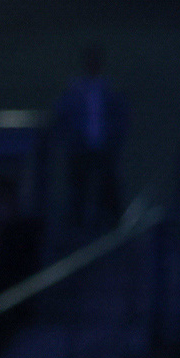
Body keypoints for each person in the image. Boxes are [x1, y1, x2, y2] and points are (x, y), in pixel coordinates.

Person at [52, 46, 126, 231]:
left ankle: (110, 222)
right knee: (78, 187)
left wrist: (114, 139)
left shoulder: (108, 88)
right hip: (80, 147)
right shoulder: (75, 89)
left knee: (108, 186)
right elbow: (62, 114)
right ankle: (77, 223)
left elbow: (120, 116)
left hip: (103, 146)